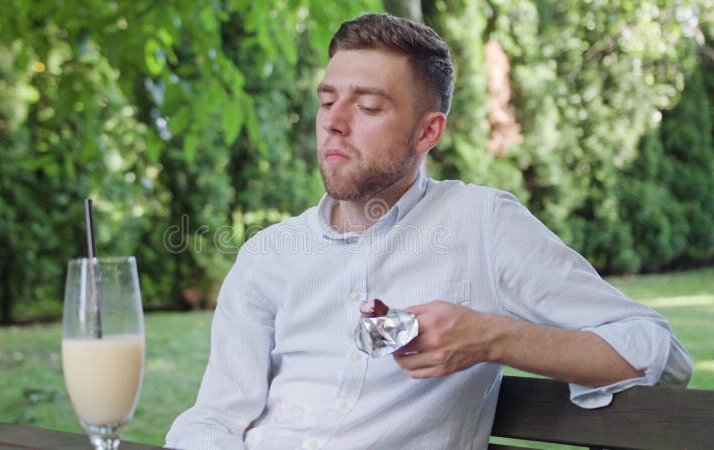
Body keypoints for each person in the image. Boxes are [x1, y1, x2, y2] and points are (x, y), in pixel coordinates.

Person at [165, 13, 692, 450]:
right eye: (327, 101)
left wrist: (492, 337)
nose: (335, 122)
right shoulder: (269, 254)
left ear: (428, 131)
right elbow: (214, 418)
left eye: (369, 106)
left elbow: (658, 353)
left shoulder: (481, 225)